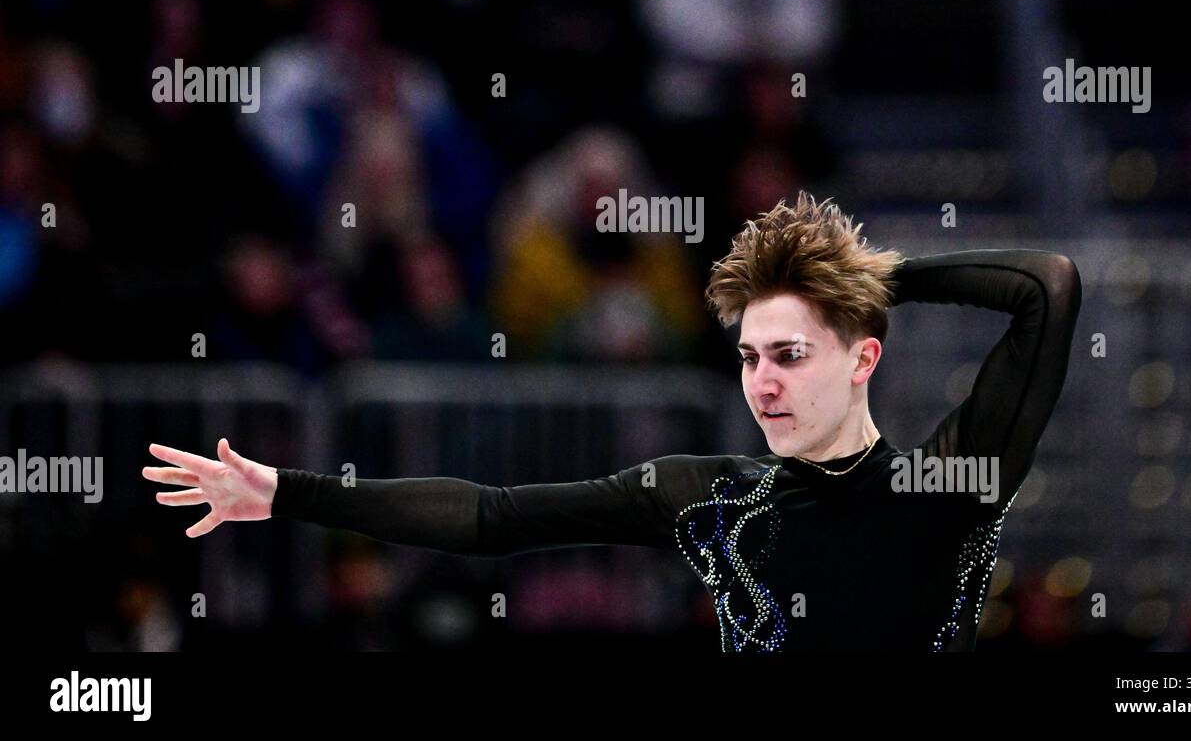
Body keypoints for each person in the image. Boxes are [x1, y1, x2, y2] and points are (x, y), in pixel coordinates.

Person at [143, 191, 1082, 651]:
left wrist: (873, 281)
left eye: (790, 355)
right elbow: (491, 518)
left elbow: (1048, 287)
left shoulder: (950, 484)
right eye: (749, 357)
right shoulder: (712, 500)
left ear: (862, 359)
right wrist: (287, 492)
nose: (762, 384)